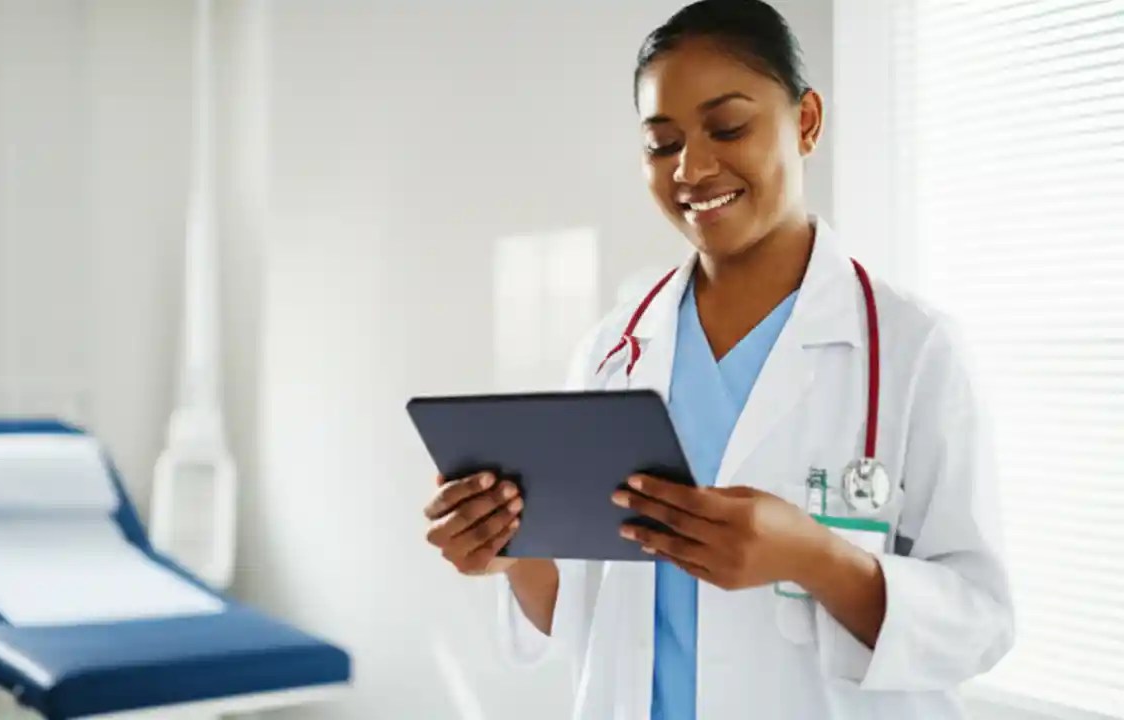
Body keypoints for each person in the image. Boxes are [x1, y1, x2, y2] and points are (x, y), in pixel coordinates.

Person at [421, 1, 1014, 717]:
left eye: (728, 128)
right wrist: (508, 551)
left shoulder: (916, 350)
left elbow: (980, 621)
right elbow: (586, 622)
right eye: (662, 143)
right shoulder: (612, 352)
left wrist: (816, 559)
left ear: (806, 121)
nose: (692, 168)